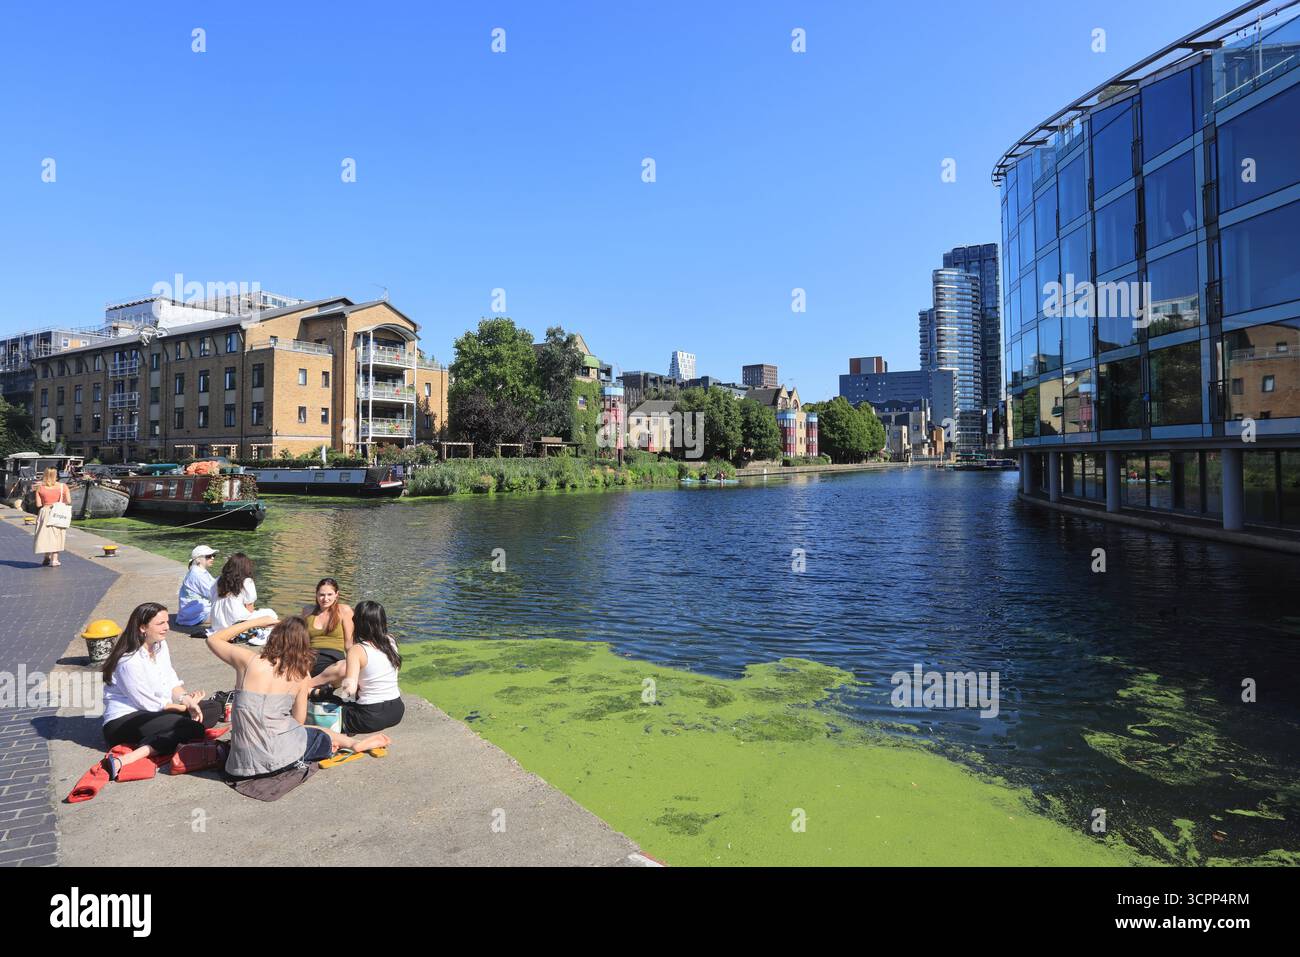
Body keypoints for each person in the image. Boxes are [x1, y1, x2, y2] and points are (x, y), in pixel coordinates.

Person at [206, 616, 391, 778]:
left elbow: (213, 639)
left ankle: (342, 744)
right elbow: (299, 721)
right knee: (314, 732)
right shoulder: (301, 676)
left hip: (240, 766)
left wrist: (258, 622)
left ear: (274, 636)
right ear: (304, 643)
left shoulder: (248, 661)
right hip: (281, 759)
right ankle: (352, 744)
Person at [99, 602, 222, 780]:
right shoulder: (128, 661)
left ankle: (166, 734)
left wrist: (187, 699)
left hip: (156, 712)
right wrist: (183, 708)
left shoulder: (160, 645)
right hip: (125, 720)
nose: (167, 627)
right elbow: (147, 703)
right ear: (142, 627)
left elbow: (171, 680)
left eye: (166, 622)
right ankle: (125, 760)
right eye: (160, 624)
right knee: (192, 727)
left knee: (213, 708)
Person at [311, 600, 404, 734]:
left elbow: (349, 689)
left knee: (324, 705)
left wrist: (332, 694)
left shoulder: (357, 650)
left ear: (359, 623)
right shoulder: (391, 641)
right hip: (396, 711)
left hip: (369, 716)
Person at [209, 552, 276, 646]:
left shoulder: (218, 580)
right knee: (270, 613)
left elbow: (212, 599)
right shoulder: (247, 581)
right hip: (236, 624)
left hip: (217, 624)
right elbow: (250, 608)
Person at [302, 578, 354, 677]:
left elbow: (349, 643)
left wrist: (352, 664)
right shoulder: (308, 611)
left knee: (342, 668)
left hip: (333, 657)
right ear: (316, 595)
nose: (325, 599)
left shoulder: (344, 610)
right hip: (310, 656)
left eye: (329, 594)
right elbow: (302, 639)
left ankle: (310, 686)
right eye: (322, 595)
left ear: (336, 594)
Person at [32, 467, 72, 567]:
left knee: (46, 535)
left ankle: (46, 557)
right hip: (58, 512)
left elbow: (38, 504)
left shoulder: (40, 488)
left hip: (45, 512)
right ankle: (55, 559)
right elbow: (68, 501)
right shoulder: (63, 486)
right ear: (56, 474)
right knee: (57, 536)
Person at [176, 545, 218, 629]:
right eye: (208, 556)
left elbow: (214, 586)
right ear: (198, 559)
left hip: (195, 611)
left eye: (213, 555)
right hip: (197, 615)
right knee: (233, 614)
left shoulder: (200, 571)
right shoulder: (197, 575)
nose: (212, 558)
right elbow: (214, 594)